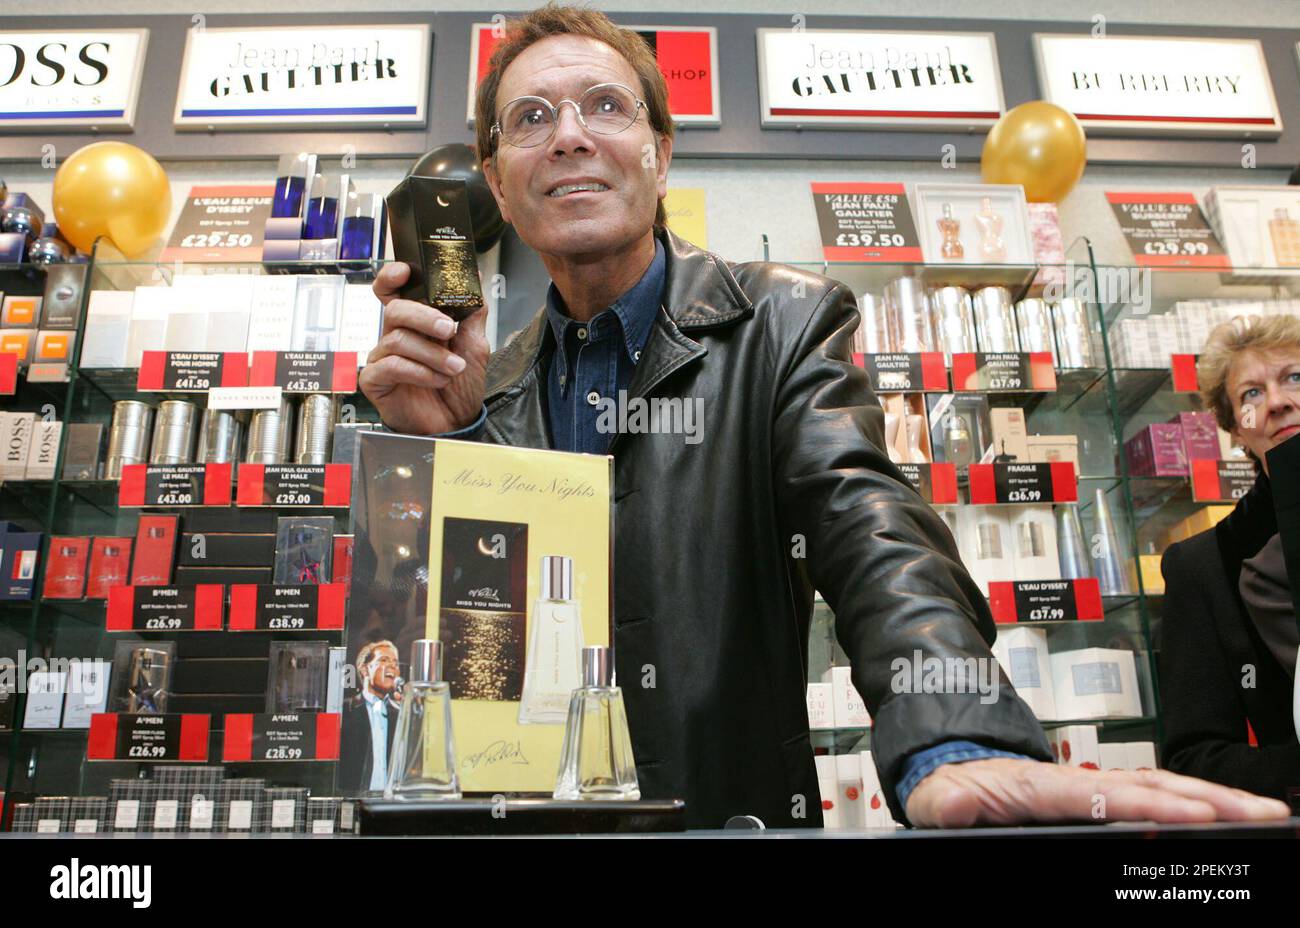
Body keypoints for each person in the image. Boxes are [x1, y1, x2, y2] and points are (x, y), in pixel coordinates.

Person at [360, 4, 1288, 828]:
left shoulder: (782, 324)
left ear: (661, 150)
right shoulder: (491, 387)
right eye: (530, 119)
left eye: (605, 106)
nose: (568, 137)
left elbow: (869, 528)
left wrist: (953, 740)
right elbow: (429, 658)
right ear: (495, 176)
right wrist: (437, 449)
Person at [1160, 313, 1300, 799]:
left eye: (1294, 378)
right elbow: (1194, 757)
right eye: (1251, 395)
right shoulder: (1203, 566)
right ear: (1235, 430)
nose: (1278, 401)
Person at [339, 640, 402, 795]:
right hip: (353, 801)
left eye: (395, 662)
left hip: (391, 804)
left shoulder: (401, 714)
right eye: (384, 660)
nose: (392, 666)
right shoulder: (344, 710)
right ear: (365, 669)